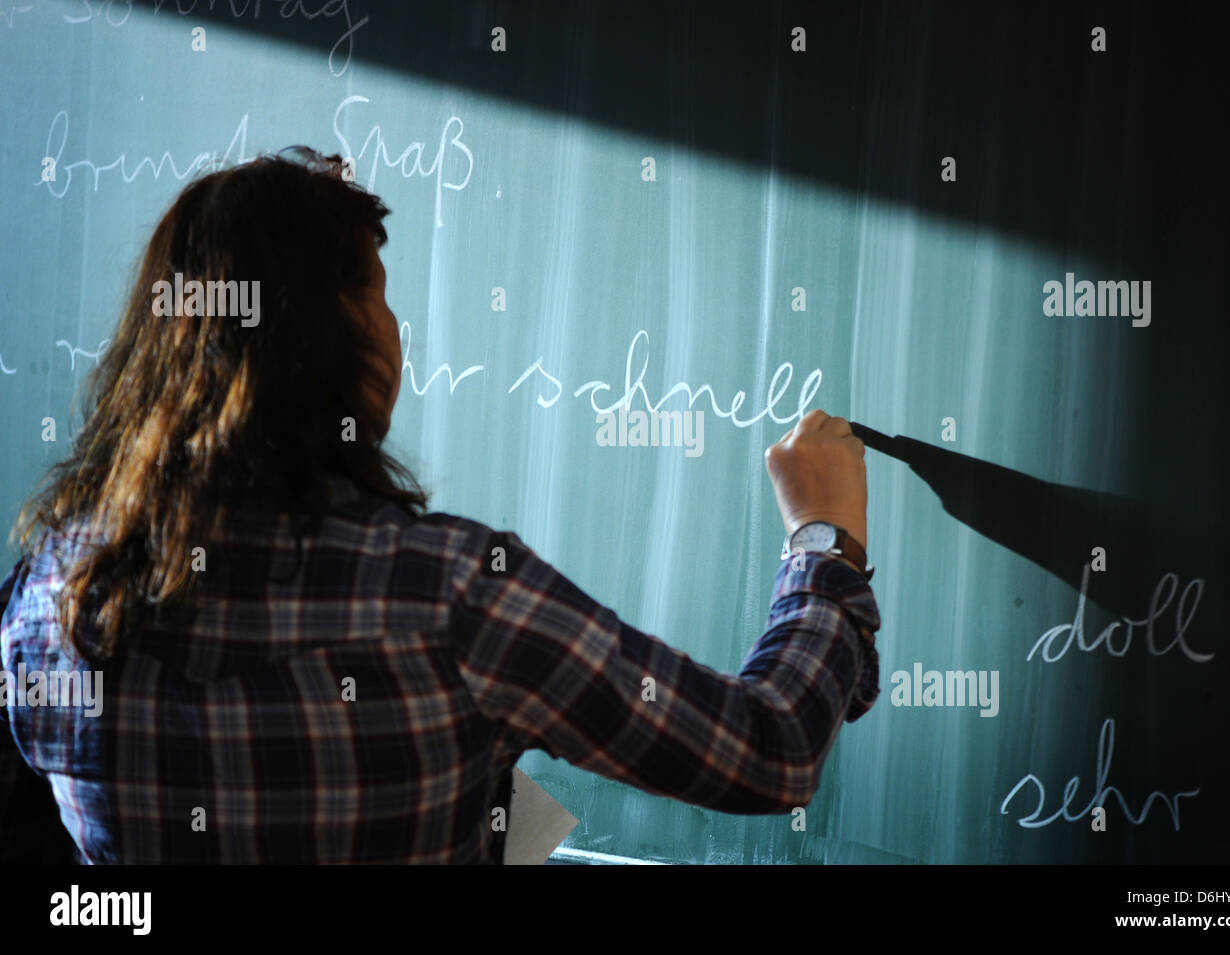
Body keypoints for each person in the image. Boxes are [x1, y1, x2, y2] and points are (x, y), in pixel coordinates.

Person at [0, 148, 881, 864]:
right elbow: (770, 750)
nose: (396, 330)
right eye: (376, 294)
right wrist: (823, 542)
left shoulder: (48, 597)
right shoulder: (453, 598)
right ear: (323, 332)